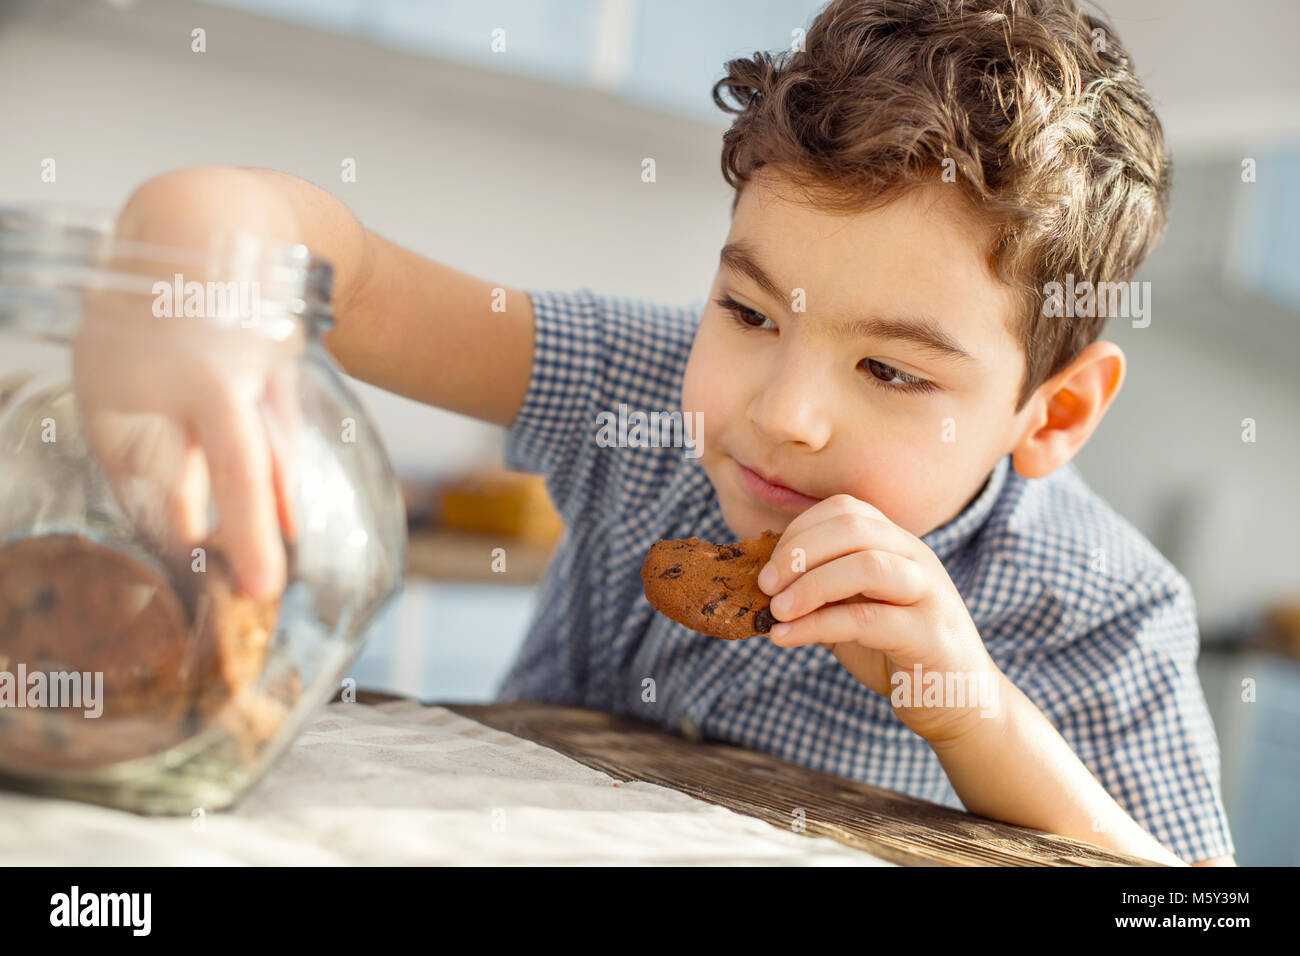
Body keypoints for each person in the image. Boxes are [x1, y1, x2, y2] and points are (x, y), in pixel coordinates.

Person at [80, 0, 1234, 864]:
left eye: (890, 367)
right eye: (745, 311)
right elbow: (349, 267)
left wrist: (970, 712)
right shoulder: (634, 390)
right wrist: (193, 266)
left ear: (1055, 412)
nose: (781, 412)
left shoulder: (1106, 609)